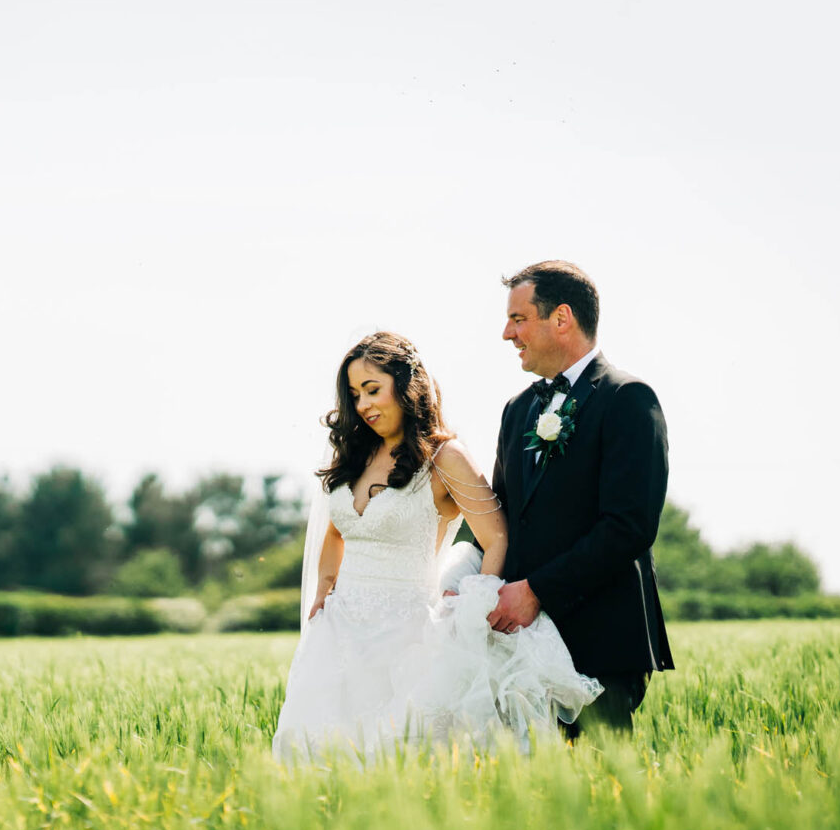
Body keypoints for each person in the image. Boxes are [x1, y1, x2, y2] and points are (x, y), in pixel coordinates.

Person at [272, 332, 602, 764]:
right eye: (354, 395)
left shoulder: (445, 458)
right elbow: (336, 532)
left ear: (405, 386)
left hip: (406, 635)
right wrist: (324, 589)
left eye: (372, 390)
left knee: (395, 754)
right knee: (319, 753)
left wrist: (476, 603)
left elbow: (496, 537)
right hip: (338, 634)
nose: (363, 405)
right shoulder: (355, 457)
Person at [485, 261, 672, 737]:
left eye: (518, 319)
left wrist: (537, 590)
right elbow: (497, 517)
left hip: (599, 641)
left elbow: (628, 526)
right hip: (519, 646)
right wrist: (464, 584)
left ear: (562, 317)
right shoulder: (516, 410)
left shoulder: (628, 399)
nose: (507, 333)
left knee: (599, 778)